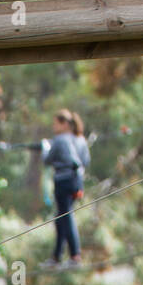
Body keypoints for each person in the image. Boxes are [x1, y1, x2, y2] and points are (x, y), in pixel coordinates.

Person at [42, 110, 90, 266]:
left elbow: (48, 160)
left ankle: (75, 255)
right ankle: (57, 256)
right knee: (62, 217)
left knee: (66, 217)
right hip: (77, 182)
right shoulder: (81, 140)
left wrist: (45, 147)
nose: (53, 126)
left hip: (63, 181)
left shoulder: (60, 140)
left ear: (64, 124)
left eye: (56, 123)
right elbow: (86, 161)